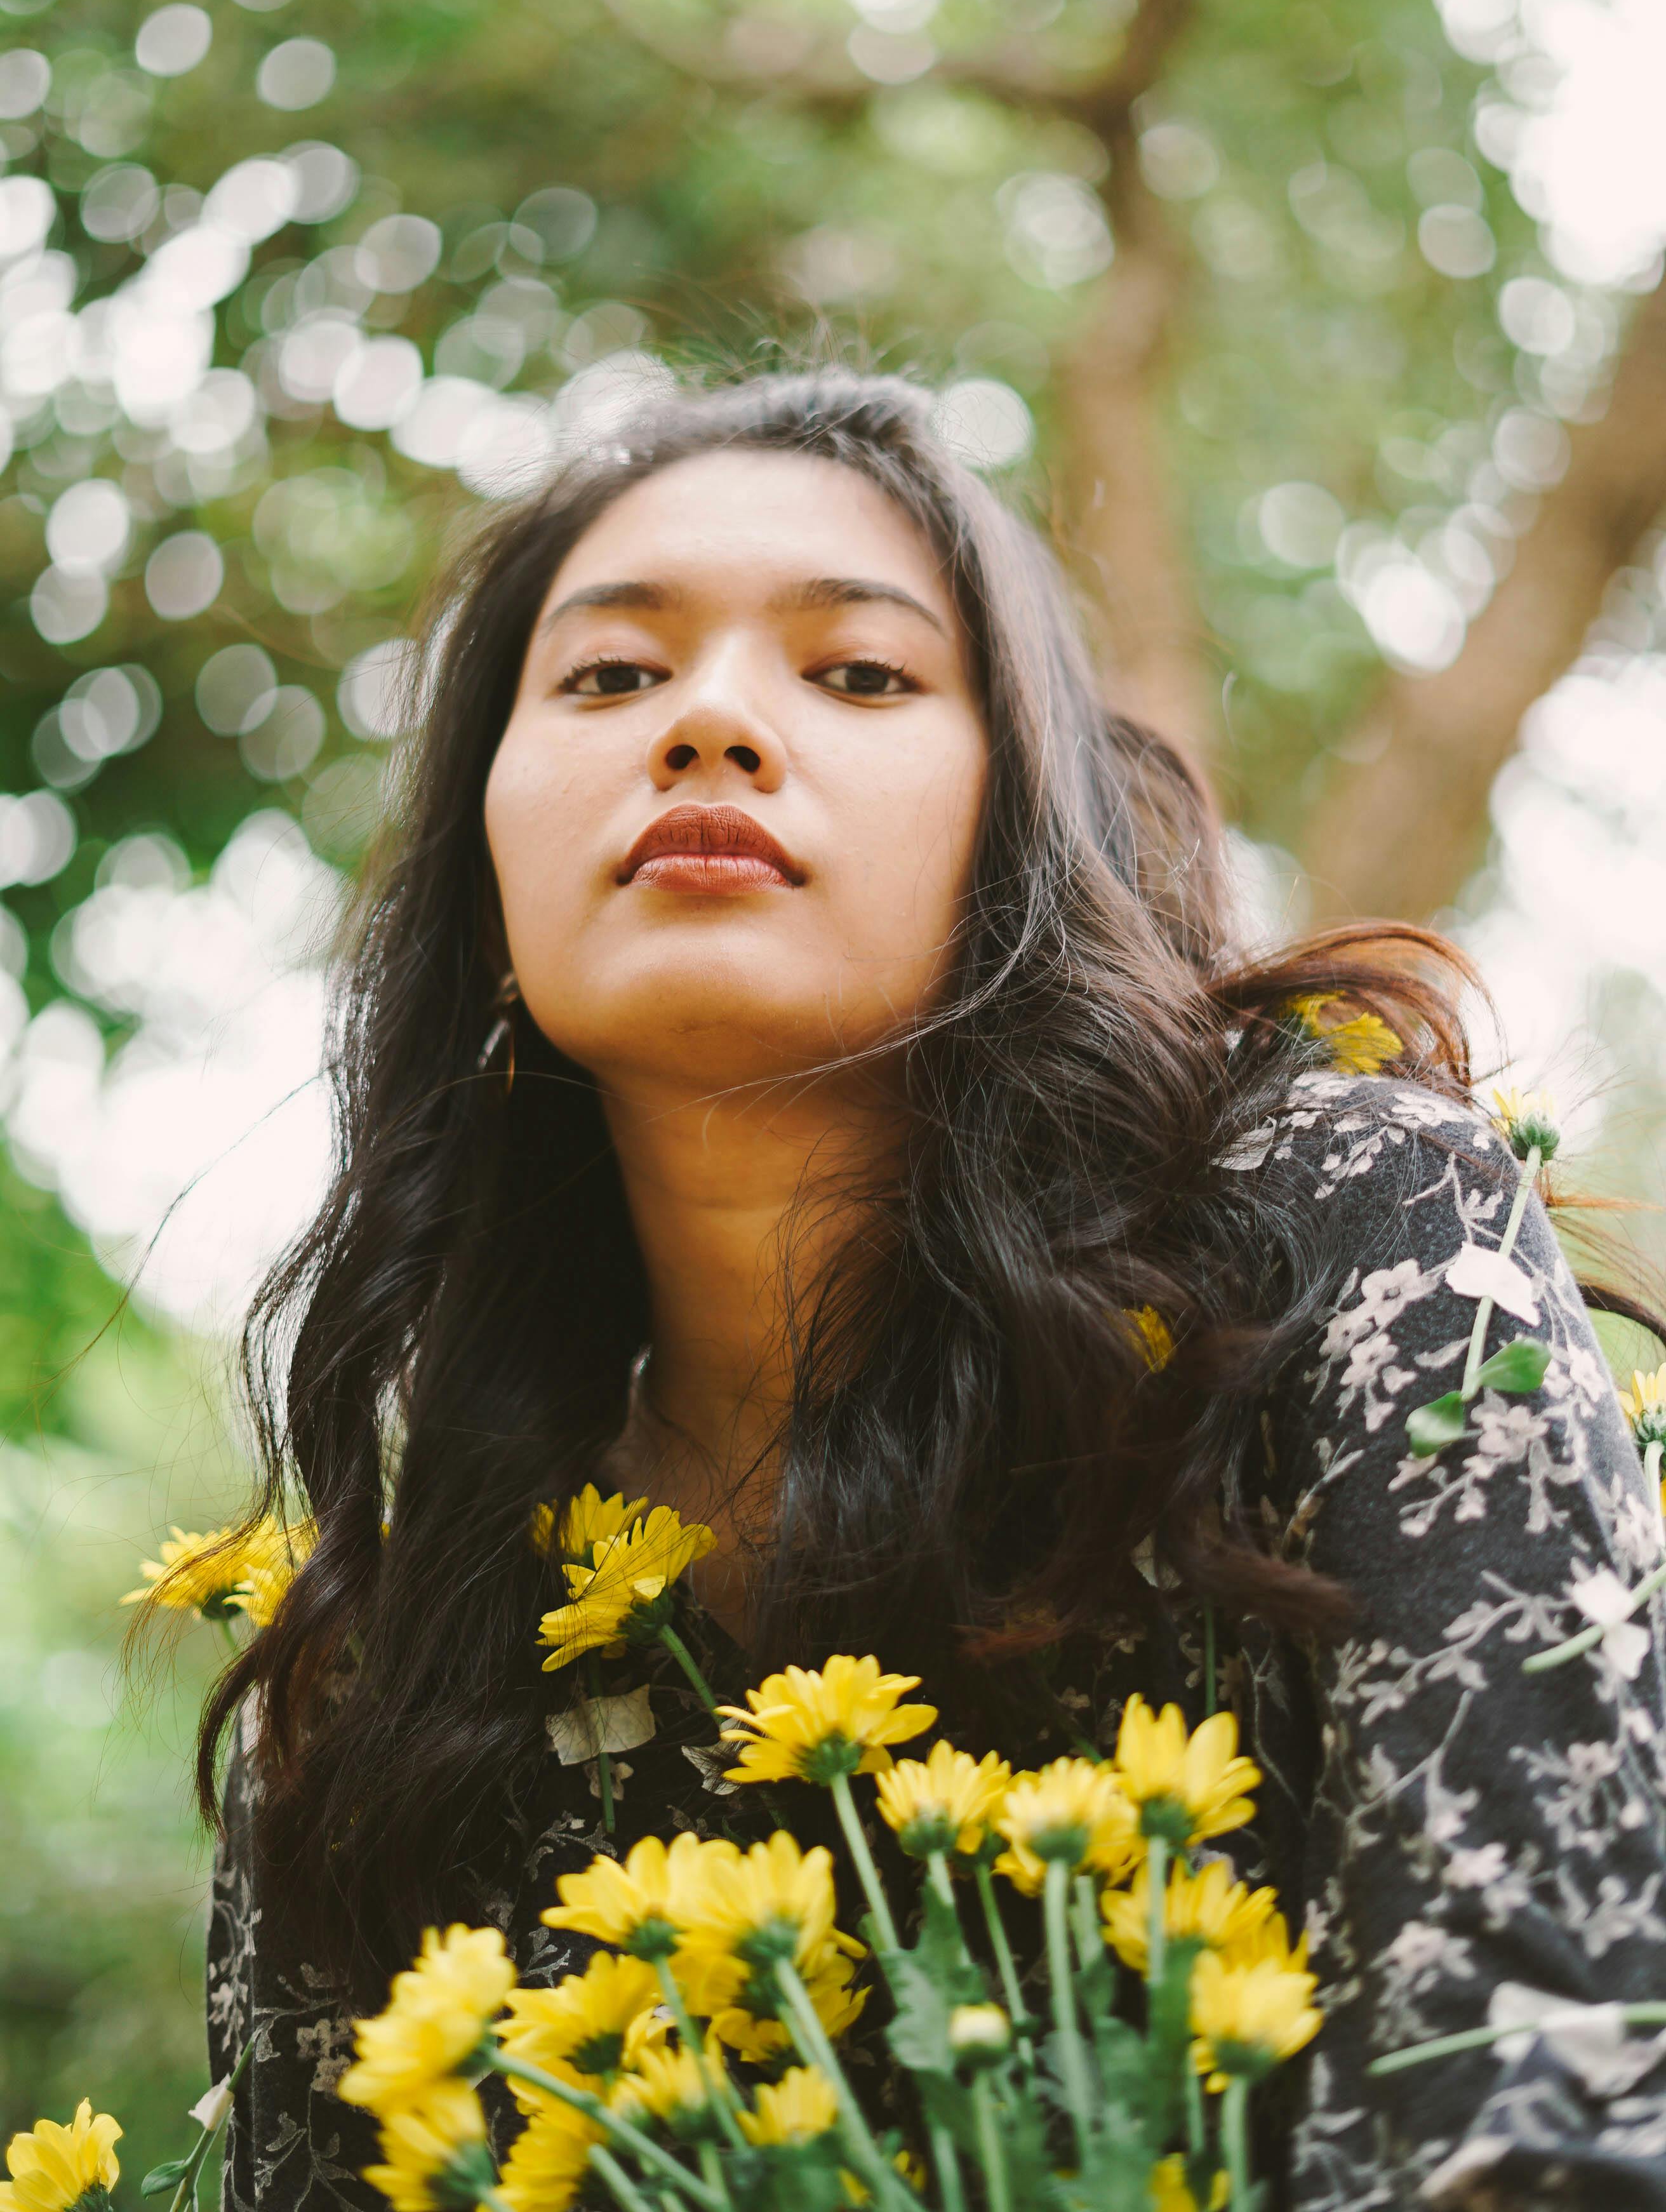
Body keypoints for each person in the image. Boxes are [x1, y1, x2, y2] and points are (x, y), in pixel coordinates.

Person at [201, 366, 1666, 2211]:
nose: (713, 725)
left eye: (863, 674)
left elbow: (1539, 2102)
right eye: (609, 676)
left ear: (1018, 840)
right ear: (486, 875)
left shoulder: (1342, 1235)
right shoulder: (386, 1671)